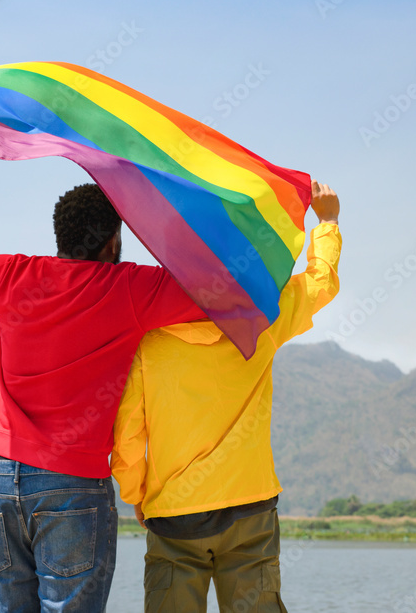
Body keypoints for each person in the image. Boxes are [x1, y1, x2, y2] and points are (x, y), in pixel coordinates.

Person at [0, 157, 207, 611]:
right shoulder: (130, 289)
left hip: (1, 478)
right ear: (113, 242)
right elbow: (216, 286)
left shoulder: (13, 276)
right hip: (72, 485)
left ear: (61, 237)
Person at [111, 180, 341, 612]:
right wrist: (326, 223)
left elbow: (127, 434)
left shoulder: (148, 343)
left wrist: (136, 495)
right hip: (250, 507)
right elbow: (320, 283)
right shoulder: (263, 318)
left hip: (175, 514)